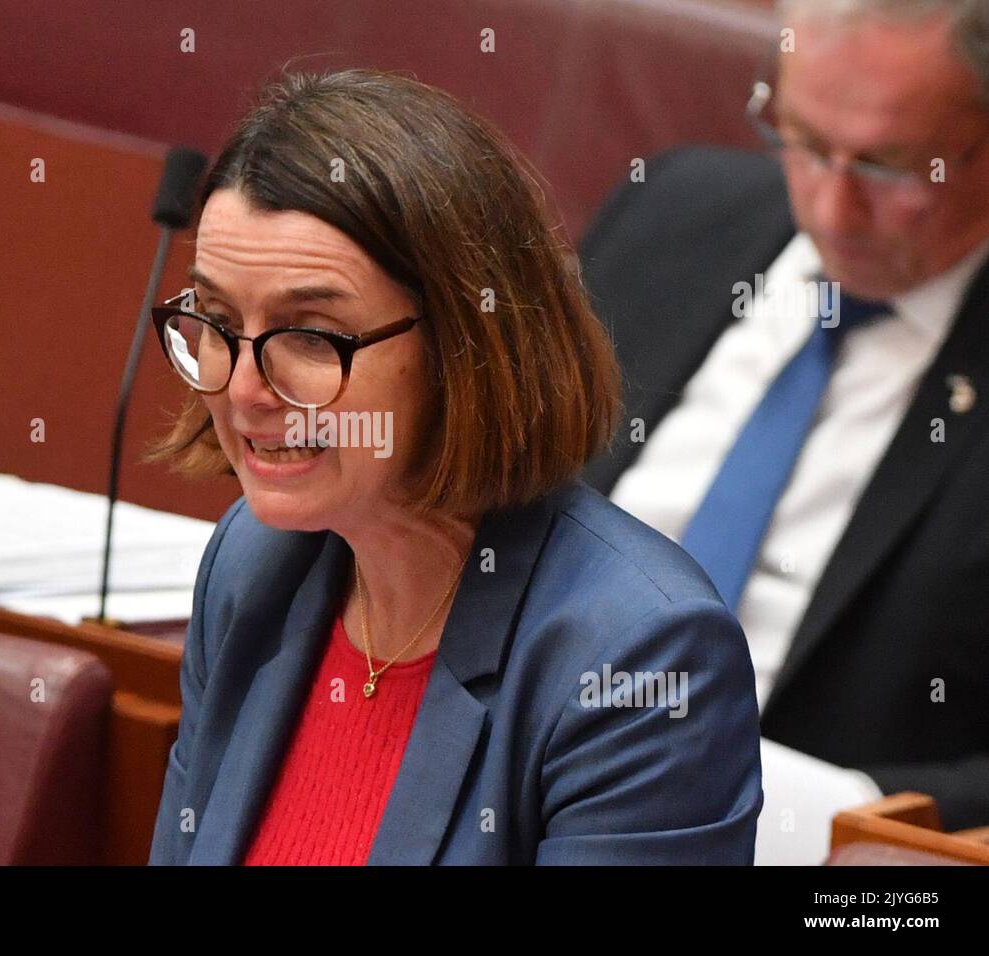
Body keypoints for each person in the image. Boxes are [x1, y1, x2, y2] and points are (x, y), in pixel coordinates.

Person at [145, 68, 762, 865]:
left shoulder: (637, 658)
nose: (242, 388)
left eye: (310, 336)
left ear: (465, 350)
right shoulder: (255, 565)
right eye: (218, 322)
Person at [579, 0, 989, 829]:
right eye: (801, 141)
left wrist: (858, 822)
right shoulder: (671, 211)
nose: (833, 211)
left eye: (890, 166)